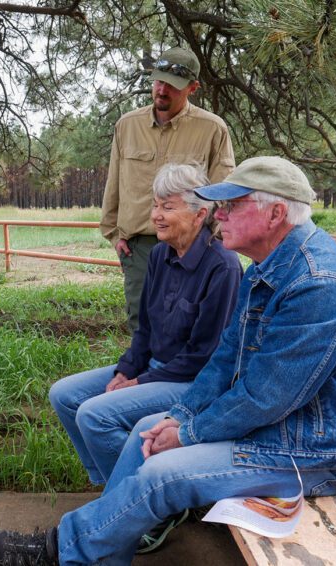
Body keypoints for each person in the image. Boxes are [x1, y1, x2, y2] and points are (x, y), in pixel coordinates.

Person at [0, 156, 336, 566]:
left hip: (318, 452)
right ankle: (96, 548)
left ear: (276, 214)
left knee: (164, 473)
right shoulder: (268, 268)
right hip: (283, 430)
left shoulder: (320, 284)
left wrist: (188, 433)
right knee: (148, 429)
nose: (219, 214)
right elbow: (225, 359)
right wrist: (179, 416)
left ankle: (63, 551)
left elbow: (265, 398)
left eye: (231, 205)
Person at [49, 163, 241, 486]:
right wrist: (127, 370)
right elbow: (146, 330)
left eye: (168, 206)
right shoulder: (158, 256)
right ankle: (111, 485)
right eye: (155, 205)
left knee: (94, 415)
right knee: (64, 396)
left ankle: (136, 496)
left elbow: (204, 357)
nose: (156, 215)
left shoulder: (222, 267)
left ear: (199, 215)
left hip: (191, 382)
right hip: (154, 368)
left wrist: (140, 382)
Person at [99, 46, 236, 334]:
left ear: (192, 88)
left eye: (172, 86)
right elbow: (114, 184)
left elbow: (224, 192)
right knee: (141, 325)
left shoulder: (212, 128)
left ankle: (184, 379)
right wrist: (114, 235)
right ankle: (143, 378)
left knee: (191, 326)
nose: (162, 90)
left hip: (192, 245)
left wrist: (217, 243)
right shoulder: (127, 126)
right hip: (140, 247)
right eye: (158, 81)